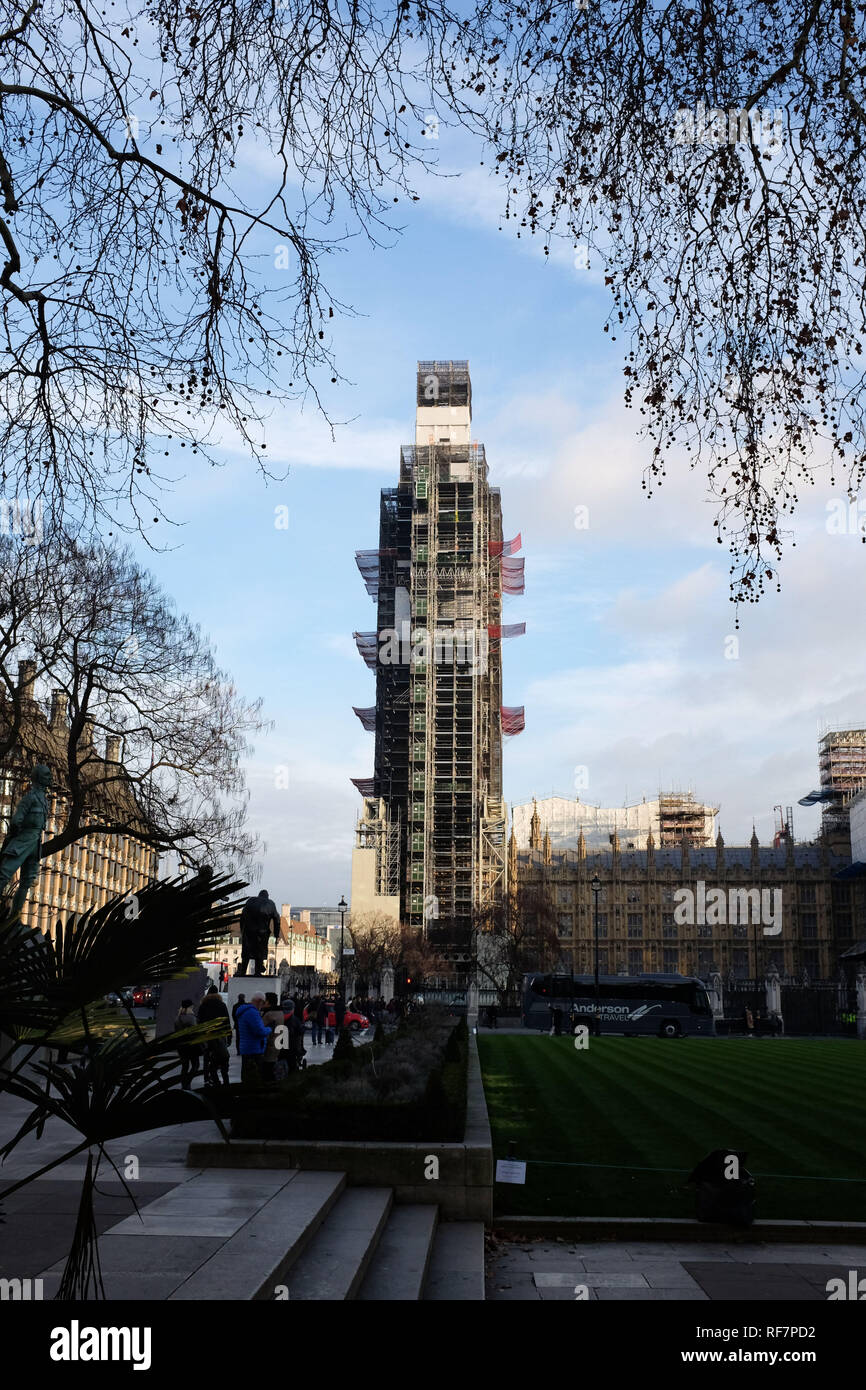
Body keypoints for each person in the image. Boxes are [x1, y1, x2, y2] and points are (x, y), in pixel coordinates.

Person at [237, 888, 281, 976]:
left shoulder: (250, 901)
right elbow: (277, 919)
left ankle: (243, 971)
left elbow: (242, 917)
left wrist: (243, 930)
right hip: (262, 932)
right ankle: (257, 972)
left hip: (248, 931)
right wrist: (276, 934)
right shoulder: (270, 904)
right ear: (267, 896)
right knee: (260, 952)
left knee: (246, 951)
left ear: (259, 895)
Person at [235, 992, 272, 1084]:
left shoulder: (244, 1011)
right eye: (263, 1003)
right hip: (254, 1049)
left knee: (247, 1076)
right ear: (259, 1001)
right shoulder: (252, 1012)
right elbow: (260, 1031)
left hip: (247, 1048)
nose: (263, 1006)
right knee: (254, 1078)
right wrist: (269, 1028)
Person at [198, 985, 231, 1085]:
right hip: (220, 1035)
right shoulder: (222, 1005)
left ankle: (207, 1078)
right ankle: (223, 1077)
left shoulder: (203, 1005)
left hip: (207, 1035)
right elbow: (226, 1021)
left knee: (207, 1057)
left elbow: (199, 1022)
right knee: (221, 1056)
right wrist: (229, 1036)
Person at [175, 998, 201, 1089]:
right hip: (192, 1046)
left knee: (185, 1067)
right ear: (190, 1007)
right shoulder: (191, 1018)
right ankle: (187, 1083)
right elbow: (196, 1031)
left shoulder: (178, 1018)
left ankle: (184, 1085)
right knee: (196, 1065)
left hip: (181, 1046)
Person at [261, 992, 285, 1082]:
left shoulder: (269, 1014)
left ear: (268, 1002)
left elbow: (262, 1030)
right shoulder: (280, 1012)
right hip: (278, 1044)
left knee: (267, 1072)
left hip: (269, 1046)